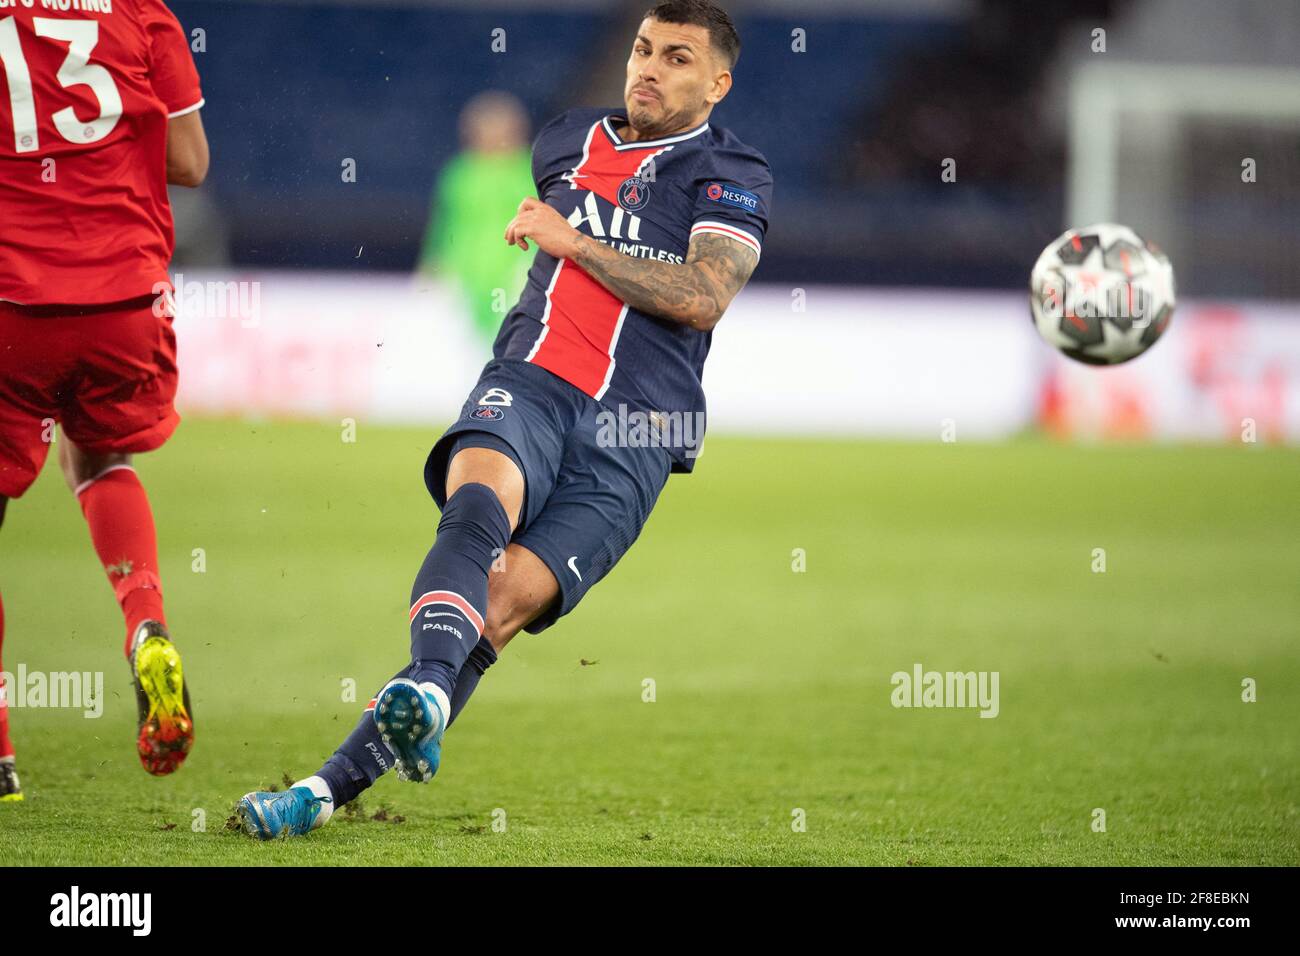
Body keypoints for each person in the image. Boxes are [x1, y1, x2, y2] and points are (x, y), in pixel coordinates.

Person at [237, 0, 771, 839]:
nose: (648, 68)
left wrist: (578, 244)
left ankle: (323, 787)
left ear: (718, 82)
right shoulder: (566, 140)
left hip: (638, 434)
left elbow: (704, 298)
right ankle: (393, 723)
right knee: (477, 505)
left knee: (501, 609)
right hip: (532, 376)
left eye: (676, 58)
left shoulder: (730, 176)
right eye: (641, 49)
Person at [0, 0, 209, 799]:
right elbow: (189, 162)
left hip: (13, 301)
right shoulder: (144, 14)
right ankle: (145, 623)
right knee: (98, 457)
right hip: (124, 298)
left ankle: (0, 758)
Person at [417, 91, 536, 346]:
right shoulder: (460, 173)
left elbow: (539, 222)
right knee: (467, 346)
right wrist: (432, 264)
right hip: (465, 273)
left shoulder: (527, 170)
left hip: (513, 272)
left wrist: (534, 266)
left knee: (509, 341)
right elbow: (443, 226)